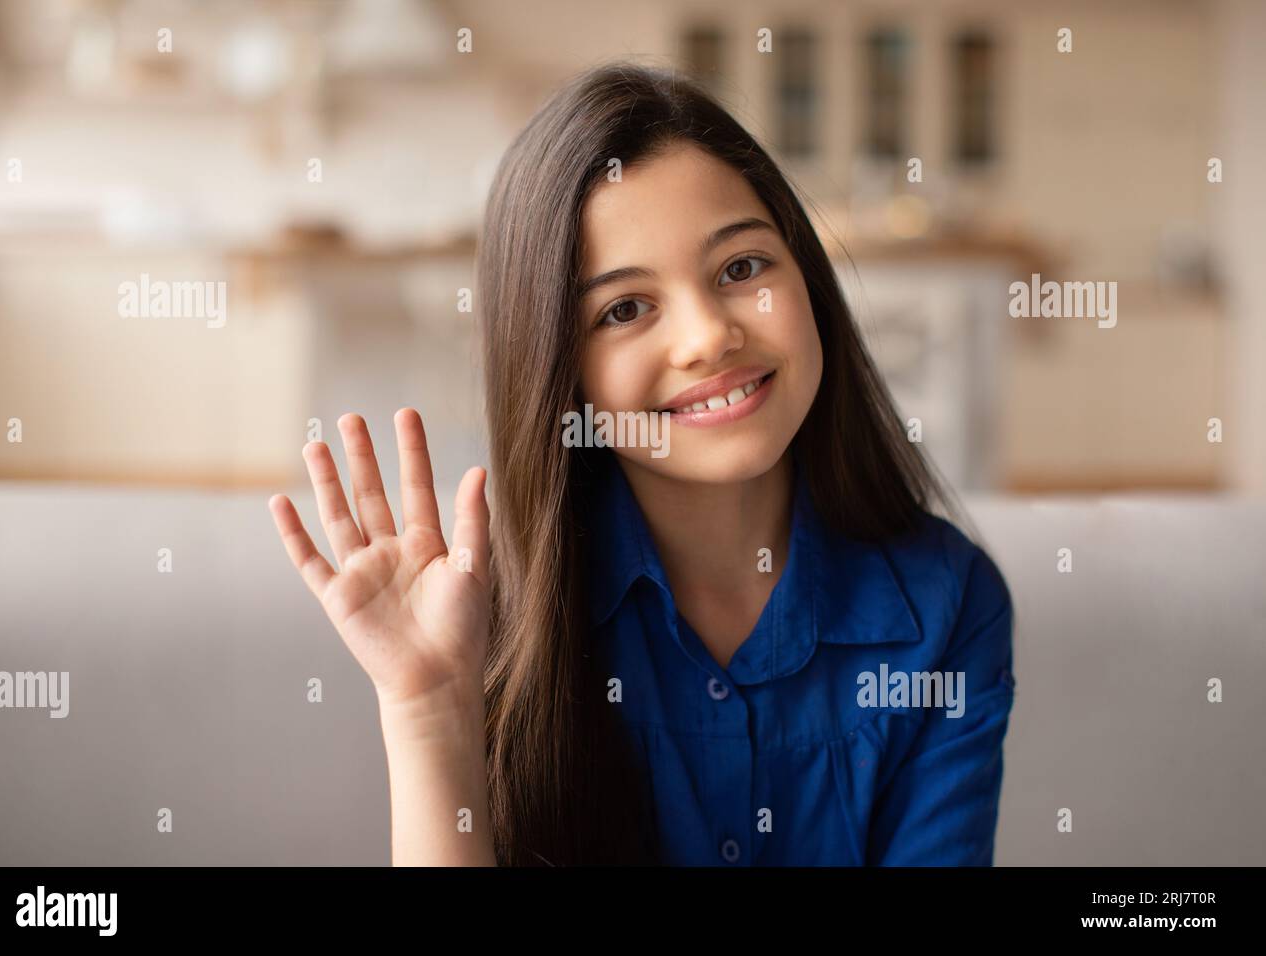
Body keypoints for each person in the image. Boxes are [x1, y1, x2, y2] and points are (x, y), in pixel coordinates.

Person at [268, 61, 1016, 866]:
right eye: (625, 309)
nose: (707, 337)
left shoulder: (947, 605)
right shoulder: (486, 615)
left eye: (742, 268)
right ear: (558, 371)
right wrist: (426, 710)